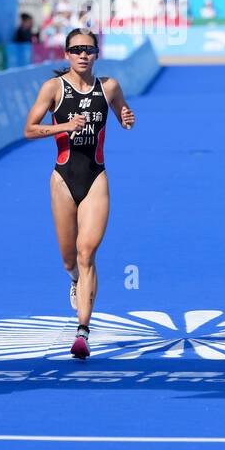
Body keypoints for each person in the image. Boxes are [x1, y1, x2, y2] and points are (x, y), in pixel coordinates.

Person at [22, 28, 136, 360]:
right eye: (76, 49)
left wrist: (128, 119)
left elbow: (124, 117)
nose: (83, 54)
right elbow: (29, 129)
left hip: (95, 177)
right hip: (62, 179)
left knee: (87, 252)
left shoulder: (110, 87)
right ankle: (74, 279)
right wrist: (62, 126)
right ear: (67, 54)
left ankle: (82, 331)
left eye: (89, 49)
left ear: (97, 53)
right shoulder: (53, 89)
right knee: (69, 258)